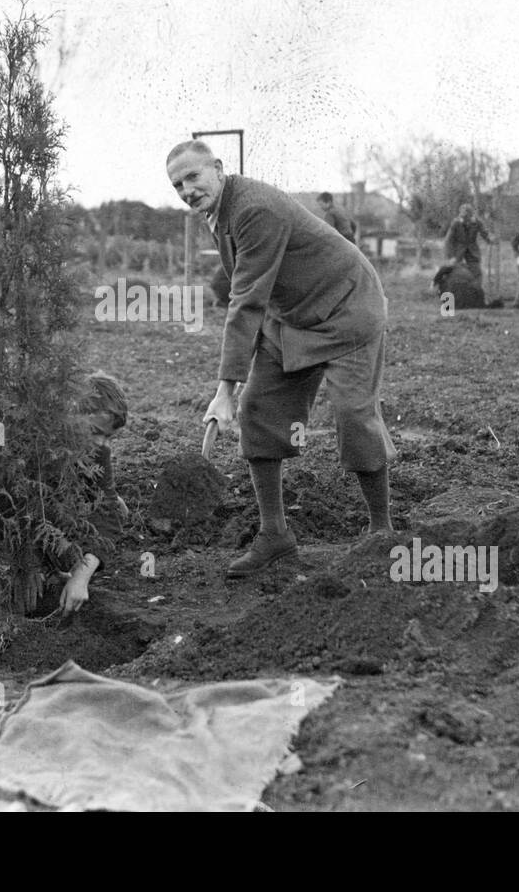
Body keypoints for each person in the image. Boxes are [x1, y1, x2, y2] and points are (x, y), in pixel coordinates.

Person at [167, 139, 395, 579]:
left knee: (352, 412)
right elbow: (248, 292)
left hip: (346, 309)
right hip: (291, 317)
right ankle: (275, 534)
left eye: (193, 177)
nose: (187, 190)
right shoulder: (219, 211)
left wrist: (223, 389)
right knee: (259, 409)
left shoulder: (254, 208)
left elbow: (246, 300)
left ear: (217, 168)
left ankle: (381, 530)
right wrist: (235, 391)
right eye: (177, 185)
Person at [46, 372, 132, 616]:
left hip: (69, 506)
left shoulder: (99, 452)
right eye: (95, 431)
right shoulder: (42, 447)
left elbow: (108, 511)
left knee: (118, 507)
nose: (102, 444)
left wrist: (81, 574)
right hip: (46, 511)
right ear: (71, 415)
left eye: (109, 437)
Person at [444, 203, 493, 272]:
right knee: (455, 270)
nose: (466, 218)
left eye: (468, 216)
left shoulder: (476, 222)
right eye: (463, 216)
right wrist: (451, 256)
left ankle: (474, 280)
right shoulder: (456, 223)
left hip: (472, 249)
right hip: (458, 249)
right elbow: (448, 240)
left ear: (471, 215)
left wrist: (490, 239)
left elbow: (484, 232)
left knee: (475, 269)